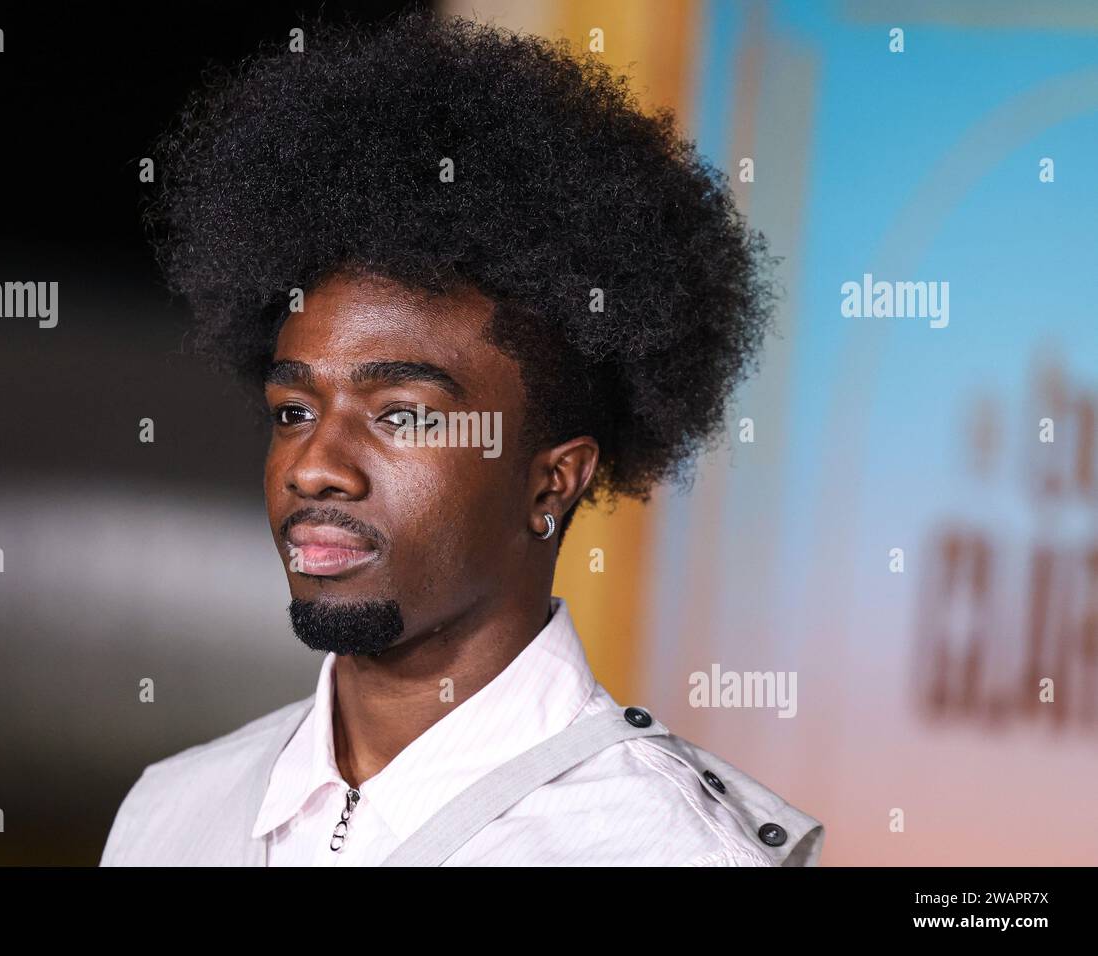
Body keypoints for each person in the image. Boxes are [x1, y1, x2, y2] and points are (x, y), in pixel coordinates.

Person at [101, 10, 823, 866]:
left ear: (552, 483)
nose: (315, 467)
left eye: (400, 414)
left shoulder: (665, 850)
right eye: (295, 411)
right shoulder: (172, 814)